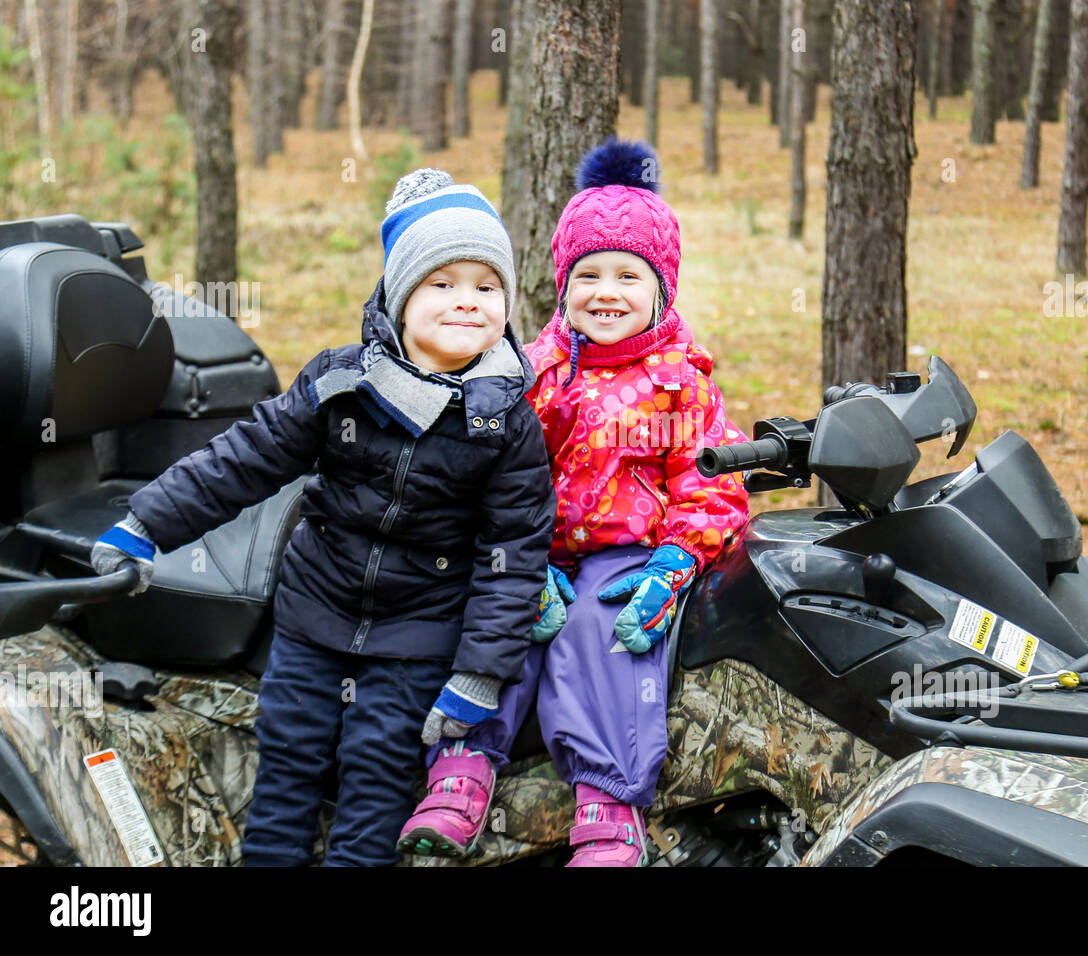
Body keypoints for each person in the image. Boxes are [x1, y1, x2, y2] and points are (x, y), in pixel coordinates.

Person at [89, 169, 554, 866]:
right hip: (313, 616)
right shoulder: (342, 382)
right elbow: (245, 458)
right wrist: (147, 523)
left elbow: (514, 555)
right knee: (288, 766)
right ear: (400, 296)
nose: (467, 302)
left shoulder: (507, 421)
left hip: (417, 636)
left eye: (487, 287)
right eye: (443, 283)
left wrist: (478, 673)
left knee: (376, 781)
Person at [398, 139, 750, 867]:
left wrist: (679, 560)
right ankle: (461, 772)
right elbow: (487, 466)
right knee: (503, 620)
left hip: (629, 555)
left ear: (663, 287)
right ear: (563, 283)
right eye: (588, 274)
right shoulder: (537, 368)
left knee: (607, 633)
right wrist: (509, 554)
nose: (606, 292)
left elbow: (709, 479)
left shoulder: (679, 381)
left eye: (628, 275)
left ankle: (608, 808)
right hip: (537, 548)